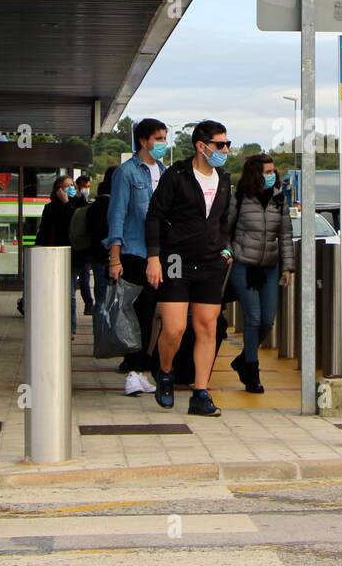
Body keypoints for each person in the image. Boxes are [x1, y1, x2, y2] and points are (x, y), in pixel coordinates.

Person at [144, 120, 234, 416]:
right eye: (220, 144)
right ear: (201, 146)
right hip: (175, 260)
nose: (225, 150)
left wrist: (225, 249)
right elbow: (155, 215)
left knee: (208, 326)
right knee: (174, 329)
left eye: (227, 144)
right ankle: (165, 372)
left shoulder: (224, 178)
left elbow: (224, 220)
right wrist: (154, 257)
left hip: (211, 262)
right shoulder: (177, 175)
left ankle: (200, 392)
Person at [106, 118, 168, 397]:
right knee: (135, 314)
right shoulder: (127, 172)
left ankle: (143, 370)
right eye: (159, 138)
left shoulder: (166, 172)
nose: (163, 144)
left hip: (159, 254)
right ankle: (133, 371)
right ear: (143, 141)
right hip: (133, 252)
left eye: (165, 138)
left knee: (153, 315)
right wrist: (115, 257)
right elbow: (117, 214)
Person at [227, 153, 294, 394]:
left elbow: (285, 234)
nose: (271, 176)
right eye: (266, 172)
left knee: (267, 320)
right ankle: (252, 371)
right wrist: (229, 252)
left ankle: (244, 358)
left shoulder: (279, 200)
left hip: (269, 266)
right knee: (253, 318)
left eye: (272, 172)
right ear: (255, 174)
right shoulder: (239, 198)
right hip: (243, 264)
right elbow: (226, 229)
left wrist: (288, 266)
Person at [34, 173, 78, 335]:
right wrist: (38, 248)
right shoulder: (50, 208)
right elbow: (44, 230)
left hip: (72, 254)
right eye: (67, 186)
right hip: (52, 253)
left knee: (70, 292)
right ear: (58, 189)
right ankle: (53, 323)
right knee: (52, 291)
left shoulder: (76, 205)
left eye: (72, 185)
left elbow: (73, 222)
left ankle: (71, 327)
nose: (70, 188)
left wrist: (67, 202)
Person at [85, 177, 112, 310]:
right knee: (108, 295)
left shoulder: (92, 207)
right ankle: (104, 326)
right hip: (109, 255)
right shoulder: (111, 206)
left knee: (100, 292)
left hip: (95, 255)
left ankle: (98, 326)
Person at [69, 174, 94, 316]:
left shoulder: (84, 201)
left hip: (82, 248)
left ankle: (89, 303)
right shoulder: (75, 202)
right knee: (78, 278)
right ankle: (88, 304)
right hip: (75, 247)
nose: (87, 189)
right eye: (85, 186)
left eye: (88, 187)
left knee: (84, 277)